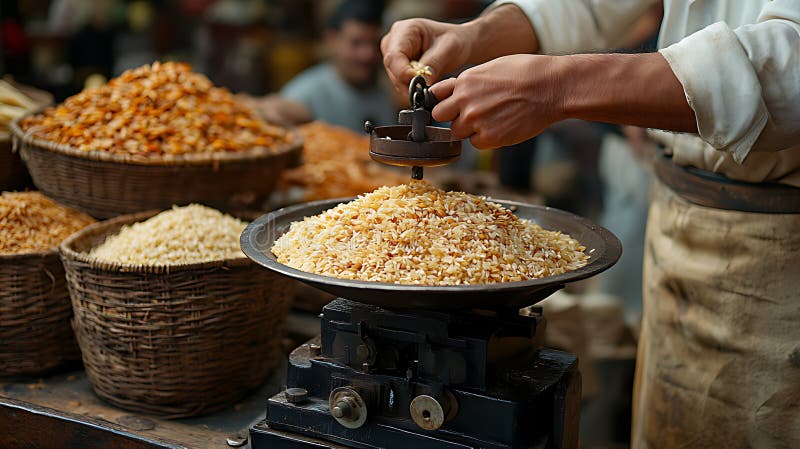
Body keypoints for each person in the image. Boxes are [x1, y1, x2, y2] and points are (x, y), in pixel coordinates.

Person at [381, 1, 800, 448]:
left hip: (782, 258)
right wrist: (476, 34)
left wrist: (557, 87)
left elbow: (788, 70)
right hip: (677, 217)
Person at [279, 0, 395, 132]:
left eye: (375, 43)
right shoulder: (302, 96)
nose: (367, 55)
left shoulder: (380, 91)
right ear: (331, 40)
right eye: (356, 43)